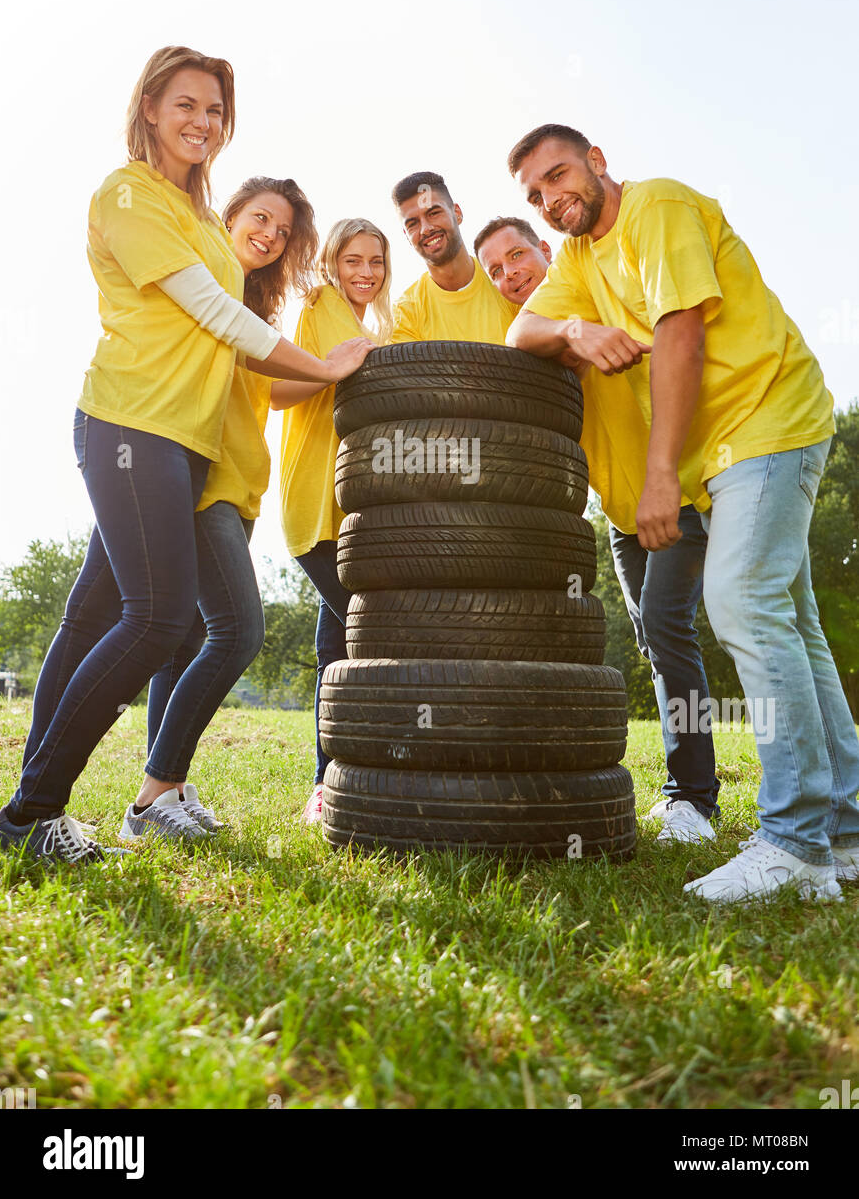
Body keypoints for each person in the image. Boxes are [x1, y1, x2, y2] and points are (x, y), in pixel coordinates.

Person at [0, 46, 371, 865]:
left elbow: (240, 338)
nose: (201, 122)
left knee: (95, 616)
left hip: (185, 443)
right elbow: (213, 313)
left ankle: (38, 802)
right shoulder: (128, 193)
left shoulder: (202, 218)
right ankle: (31, 814)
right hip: (131, 422)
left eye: (214, 111)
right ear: (150, 109)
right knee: (160, 619)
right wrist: (328, 363)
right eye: (185, 105)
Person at [506, 122, 859, 902]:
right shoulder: (575, 258)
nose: (551, 197)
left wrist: (659, 474)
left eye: (559, 175)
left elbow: (682, 330)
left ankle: (795, 841)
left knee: (742, 603)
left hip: (767, 419)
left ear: (597, 162)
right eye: (534, 193)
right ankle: (845, 830)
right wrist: (574, 326)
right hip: (729, 454)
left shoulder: (656, 207)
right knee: (793, 621)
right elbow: (519, 328)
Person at [475, 216, 719, 841]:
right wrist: (571, 336)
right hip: (620, 514)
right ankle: (687, 792)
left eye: (517, 256)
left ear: (545, 250)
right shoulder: (551, 326)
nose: (510, 274)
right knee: (656, 644)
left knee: (668, 630)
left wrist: (581, 328)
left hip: (680, 493)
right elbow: (520, 331)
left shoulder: (585, 287)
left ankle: (694, 798)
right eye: (496, 270)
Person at [122, 176, 321, 841]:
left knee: (182, 641)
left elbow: (270, 381)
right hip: (203, 480)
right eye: (259, 218)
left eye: (282, 231)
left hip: (239, 488)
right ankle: (151, 801)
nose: (268, 234)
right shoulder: (205, 280)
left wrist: (336, 369)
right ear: (229, 214)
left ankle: (169, 791)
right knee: (238, 631)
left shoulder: (254, 304)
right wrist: (332, 365)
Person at [275, 219, 392, 824]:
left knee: (335, 646)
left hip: (354, 506)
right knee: (370, 631)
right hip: (316, 499)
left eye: (375, 260)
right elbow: (275, 390)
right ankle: (361, 770)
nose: (365, 271)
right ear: (331, 262)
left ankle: (327, 782)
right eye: (352, 260)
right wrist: (331, 364)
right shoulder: (319, 305)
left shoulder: (367, 325)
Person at [390, 171, 516, 343]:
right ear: (406, 235)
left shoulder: (508, 279)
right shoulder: (405, 312)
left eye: (433, 213)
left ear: (457, 213)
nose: (425, 229)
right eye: (413, 224)